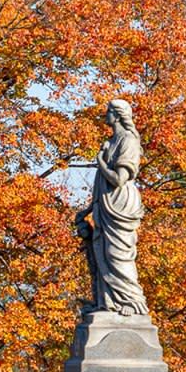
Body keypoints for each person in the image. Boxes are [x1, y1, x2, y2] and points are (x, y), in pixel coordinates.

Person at [79, 99, 148, 316]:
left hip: (120, 206)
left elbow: (119, 179)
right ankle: (106, 303)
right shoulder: (112, 139)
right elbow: (102, 184)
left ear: (118, 115)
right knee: (101, 252)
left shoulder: (128, 140)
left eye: (108, 111)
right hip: (104, 204)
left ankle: (132, 302)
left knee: (116, 254)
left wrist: (100, 161)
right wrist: (89, 208)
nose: (105, 115)